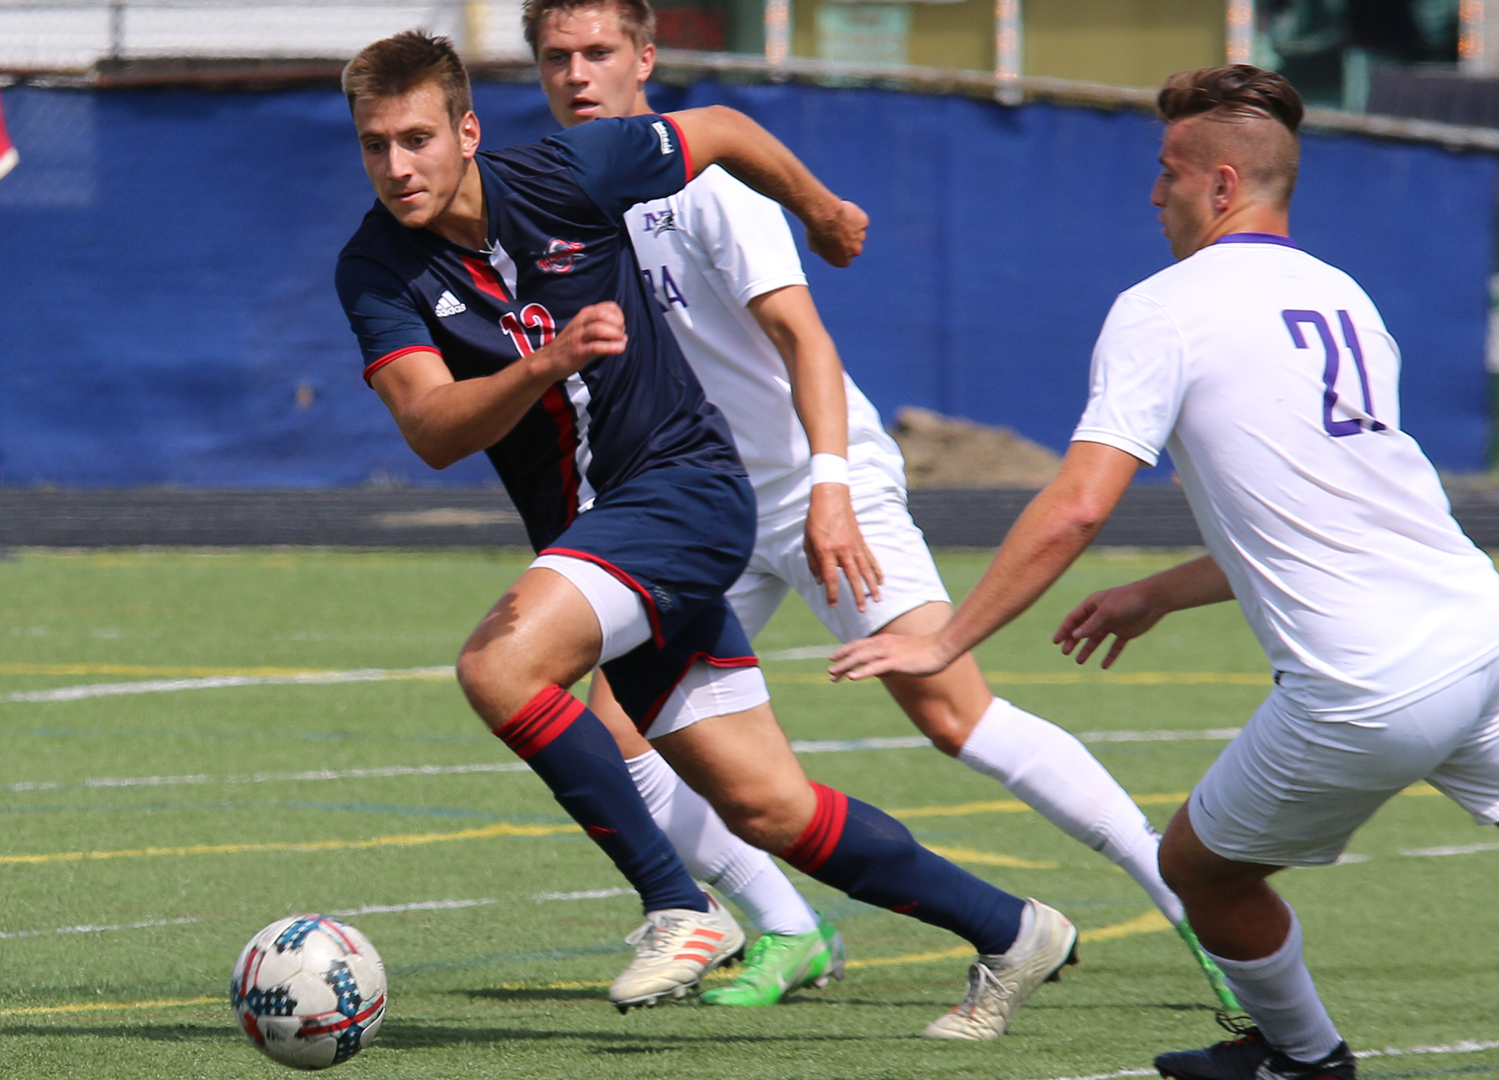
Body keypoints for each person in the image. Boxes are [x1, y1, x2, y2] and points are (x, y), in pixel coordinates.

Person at [335, 29, 1077, 1036]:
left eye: (416, 138)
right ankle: (1011, 930)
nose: (396, 166)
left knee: (498, 668)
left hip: (683, 490)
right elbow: (430, 428)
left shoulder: (568, 169)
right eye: (374, 144)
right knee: (770, 808)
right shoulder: (374, 267)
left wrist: (820, 209)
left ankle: (679, 907)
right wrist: (542, 365)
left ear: (467, 132)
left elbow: (723, 128)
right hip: (607, 537)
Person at [521, 0, 1234, 1011]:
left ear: (645, 58)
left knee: (951, 709)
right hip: (701, 505)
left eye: (599, 52)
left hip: (818, 484)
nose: (578, 74)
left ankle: (1198, 915)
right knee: (619, 726)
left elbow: (806, 341)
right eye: (558, 56)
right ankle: (788, 928)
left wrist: (831, 491)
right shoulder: (556, 201)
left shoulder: (706, 186)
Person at [830, 64, 1499, 1080]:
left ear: (1221, 184)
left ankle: (1302, 1058)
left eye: (1169, 171)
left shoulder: (1165, 306)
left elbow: (1078, 504)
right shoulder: (1344, 296)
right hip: (1476, 628)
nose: (1154, 194)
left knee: (1196, 867)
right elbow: (1334, 515)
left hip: (1366, 680)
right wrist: (1157, 591)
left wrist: (945, 640)